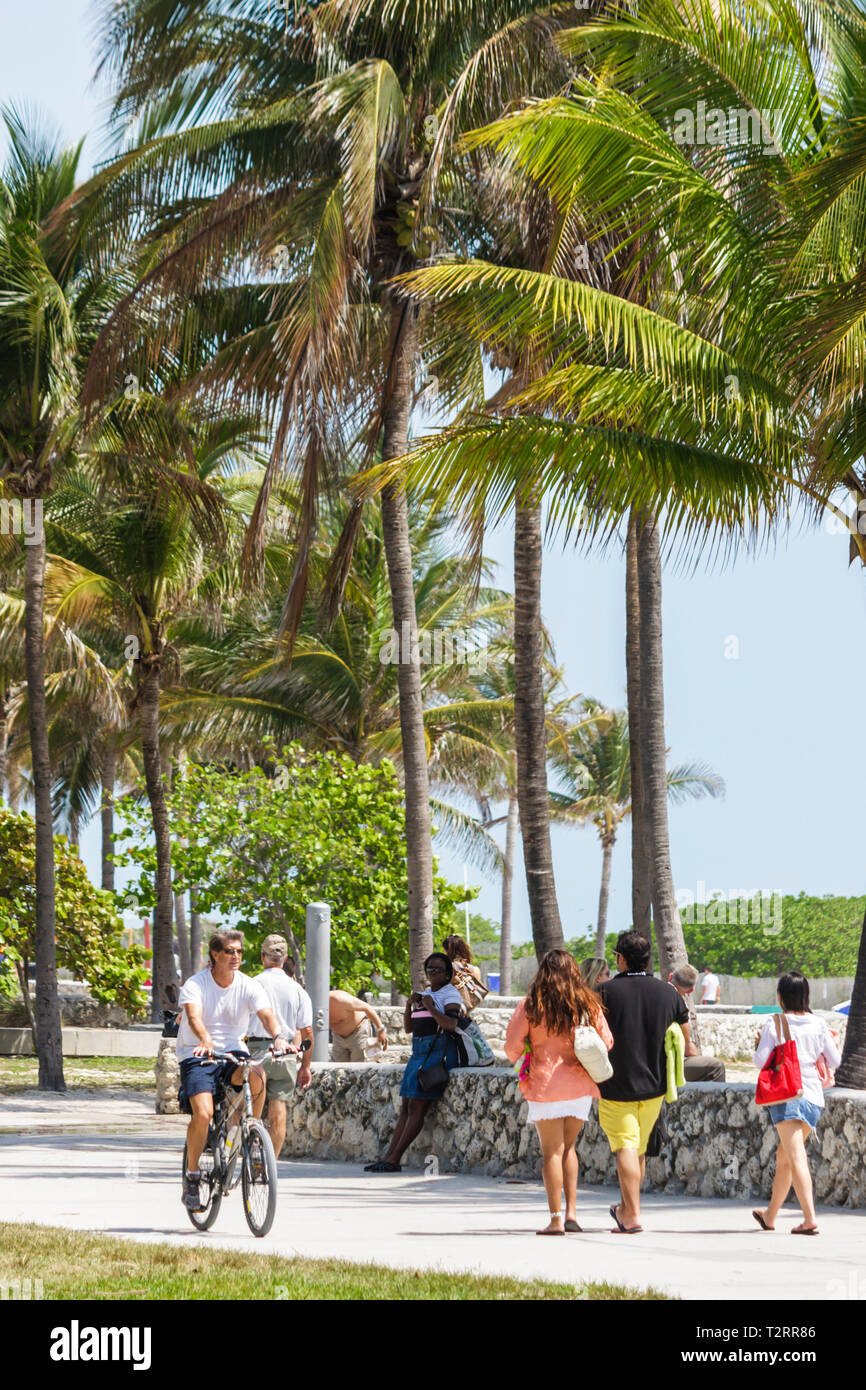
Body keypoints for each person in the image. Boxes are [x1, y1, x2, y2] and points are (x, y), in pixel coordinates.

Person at [176, 929, 291, 1211]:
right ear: (215, 955)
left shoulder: (248, 985)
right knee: (202, 1114)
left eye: (240, 951)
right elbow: (193, 1016)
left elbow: (266, 1015)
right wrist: (205, 1039)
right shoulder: (196, 984)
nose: (236, 956)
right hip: (198, 1053)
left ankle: (248, 1132)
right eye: (230, 951)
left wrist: (278, 1037)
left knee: (257, 1075)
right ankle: (192, 1177)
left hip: (231, 1051)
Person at [505, 951, 613, 1235]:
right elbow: (607, 1041)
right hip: (578, 1085)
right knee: (569, 1148)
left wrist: (527, 1057)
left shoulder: (531, 1005)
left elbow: (511, 1047)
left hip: (544, 1084)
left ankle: (554, 1219)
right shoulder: (588, 1004)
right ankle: (572, 1213)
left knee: (551, 1152)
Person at [597, 930, 691, 1233]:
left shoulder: (604, 992)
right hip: (655, 1085)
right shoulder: (668, 993)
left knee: (625, 1146)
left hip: (615, 1083)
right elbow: (683, 1035)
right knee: (637, 1148)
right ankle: (626, 1209)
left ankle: (632, 1215)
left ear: (621, 959)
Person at [751, 970, 841, 1236]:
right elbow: (835, 1061)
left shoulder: (775, 1024)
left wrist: (759, 1043)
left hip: (787, 1095)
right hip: (813, 1096)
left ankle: (810, 1218)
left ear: (781, 997)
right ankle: (769, 1215)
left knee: (795, 1156)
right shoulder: (819, 1023)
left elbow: (759, 1062)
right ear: (805, 996)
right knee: (785, 1156)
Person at [364, 953, 463, 1172]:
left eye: (437, 970)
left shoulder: (450, 994)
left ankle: (394, 1159)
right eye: (429, 969)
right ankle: (389, 1157)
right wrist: (410, 1005)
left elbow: (450, 1024)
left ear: (447, 974)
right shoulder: (427, 993)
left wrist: (430, 1007)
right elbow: (409, 1029)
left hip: (436, 1052)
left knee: (417, 1104)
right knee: (407, 1105)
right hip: (419, 1051)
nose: (433, 973)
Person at [246, 933, 313, 1160]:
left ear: (263, 957)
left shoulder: (252, 984)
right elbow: (307, 1033)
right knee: (279, 1106)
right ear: (284, 960)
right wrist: (305, 1067)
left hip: (257, 1051)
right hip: (286, 1054)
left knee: (249, 1104)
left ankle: (247, 1146)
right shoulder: (297, 990)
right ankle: (270, 1163)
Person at [669, 963, 726, 1081]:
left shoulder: (649, 993)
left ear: (670, 977)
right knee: (716, 1067)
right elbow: (689, 1050)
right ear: (691, 989)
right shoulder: (679, 1004)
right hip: (665, 1065)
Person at [329, 989, 388, 1061]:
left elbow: (367, 1007)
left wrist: (381, 1030)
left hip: (358, 1033)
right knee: (338, 1068)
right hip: (338, 1037)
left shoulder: (340, 999)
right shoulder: (314, 1004)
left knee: (360, 1065)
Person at [442, 934, 486, 1011]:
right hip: (466, 1012)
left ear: (447, 950)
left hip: (449, 1011)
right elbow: (474, 993)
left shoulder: (446, 968)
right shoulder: (475, 970)